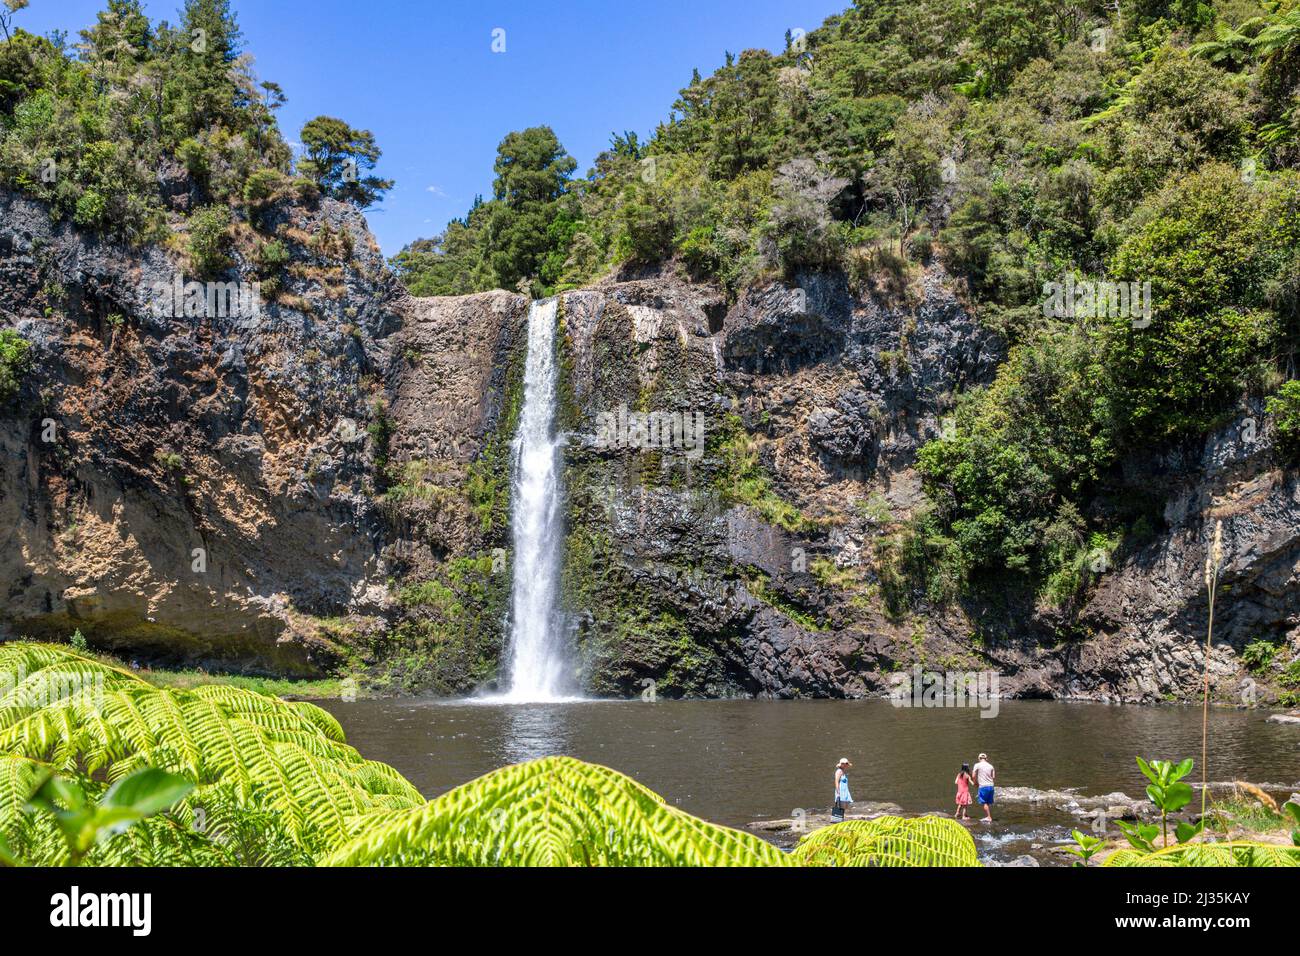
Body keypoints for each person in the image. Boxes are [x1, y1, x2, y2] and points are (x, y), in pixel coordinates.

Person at [972, 752, 995, 822]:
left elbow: (973, 775)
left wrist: (975, 783)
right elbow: (993, 777)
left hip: (983, 786)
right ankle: (988, 815)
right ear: (986, 758)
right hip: (991, 786)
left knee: (984, 802)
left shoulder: (977, 765)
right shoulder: (991, 766)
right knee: (987, 802)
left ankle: (989, 817)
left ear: (979, 758)